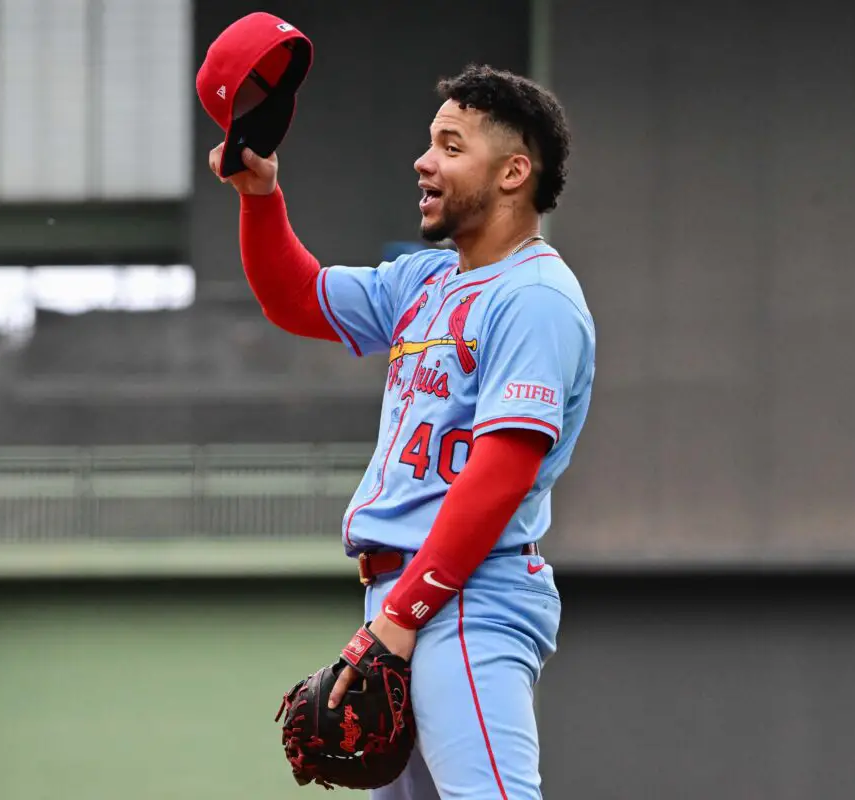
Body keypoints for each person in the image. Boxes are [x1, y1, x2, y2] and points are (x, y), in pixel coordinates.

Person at [208, 63, 595, 800]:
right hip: (404, 597)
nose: (424, 160)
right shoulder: (425, 280)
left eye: (451, 146)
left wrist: (403, 616)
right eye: (430, 143)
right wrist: (259, 197)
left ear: (514, 172)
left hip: (468, 596)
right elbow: (297, 299)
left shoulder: (536, 299)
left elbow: (500, 474)